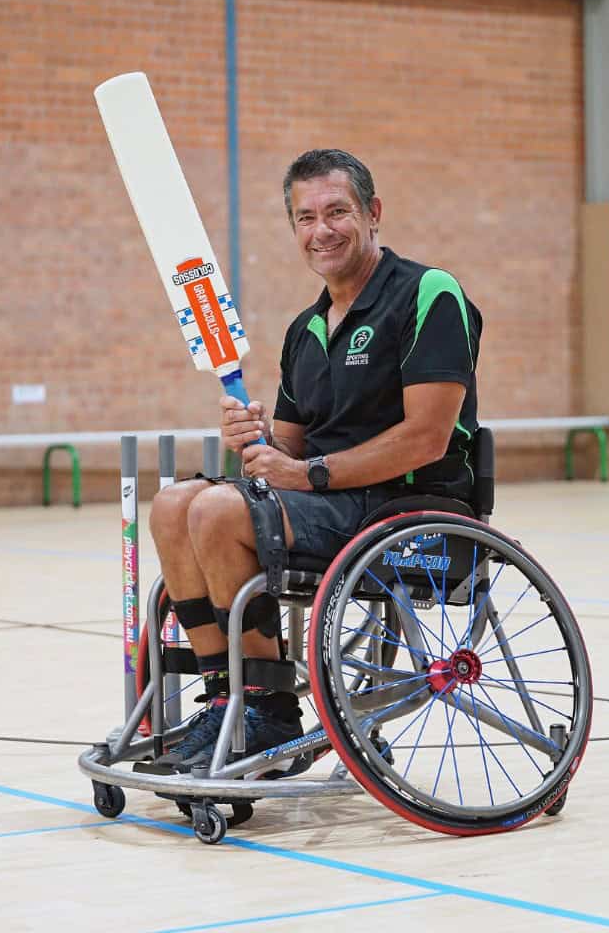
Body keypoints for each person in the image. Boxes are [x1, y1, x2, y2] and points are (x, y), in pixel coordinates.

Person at [145, 148, 482, 772]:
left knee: (218, 512)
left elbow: (427, 437)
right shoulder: (306, 330)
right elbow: (287, 454)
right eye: (305, 217)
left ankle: (267, 709)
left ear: (373, 213)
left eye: (337, 212)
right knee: (171, 506)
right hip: (326, 504)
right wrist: (254, 440)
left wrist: (305, 475)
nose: (321, 230)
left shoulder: (428, 293)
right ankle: (225, 698)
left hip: (406, 509)